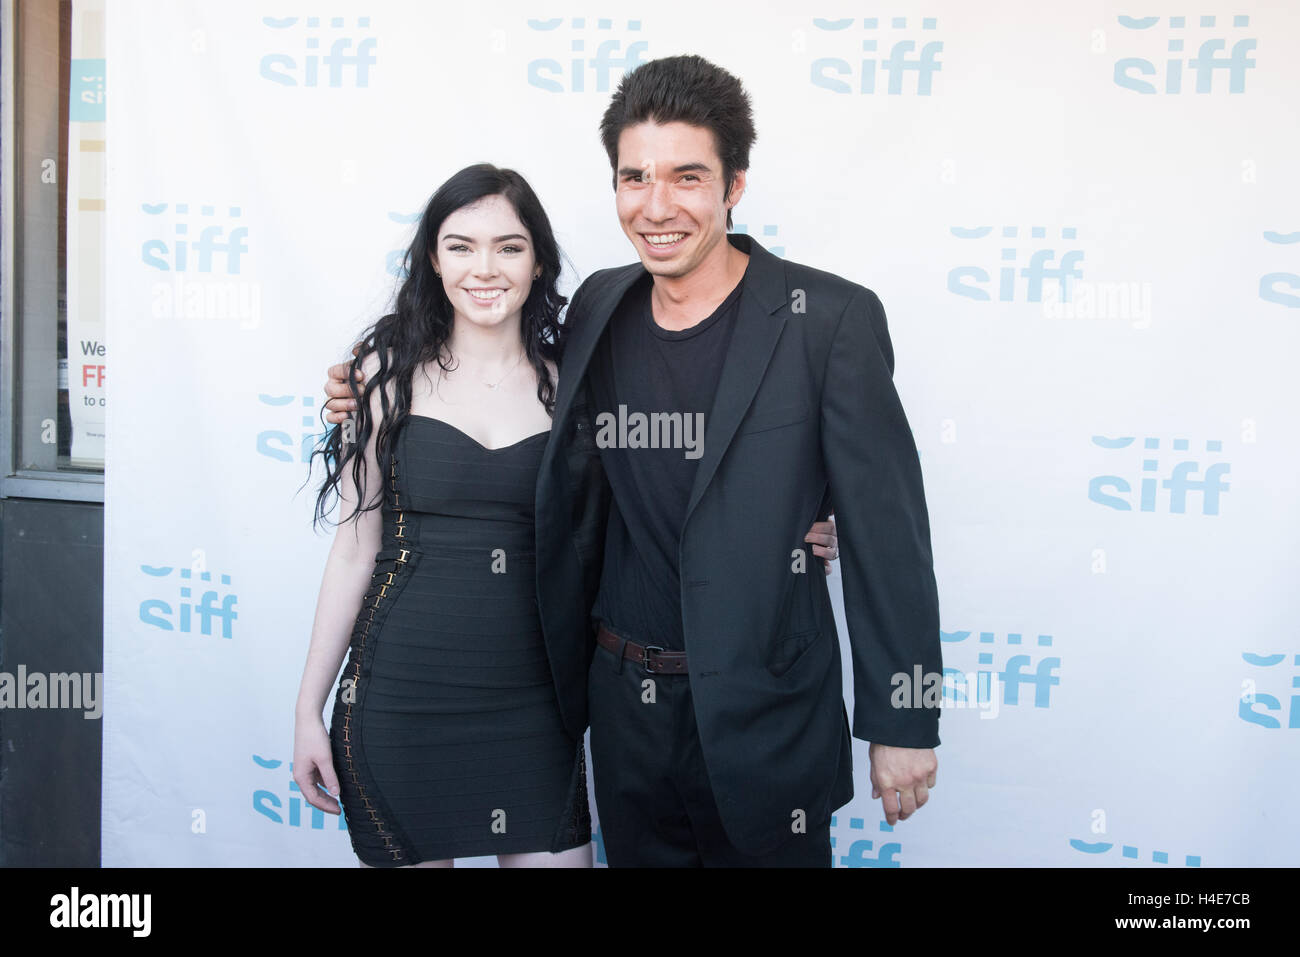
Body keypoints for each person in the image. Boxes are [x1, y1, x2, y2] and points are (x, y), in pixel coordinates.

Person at [300, 161, 841, 868]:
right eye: (460, 246)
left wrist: (790, 526)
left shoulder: (578, 381)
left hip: (534, 704)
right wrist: (307, 708)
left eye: (509, 247)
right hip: (400, 697)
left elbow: (663, 493)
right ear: (432, 260)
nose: (484, 268)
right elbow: (353, 546)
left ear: (538, 263)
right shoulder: (378, 377)